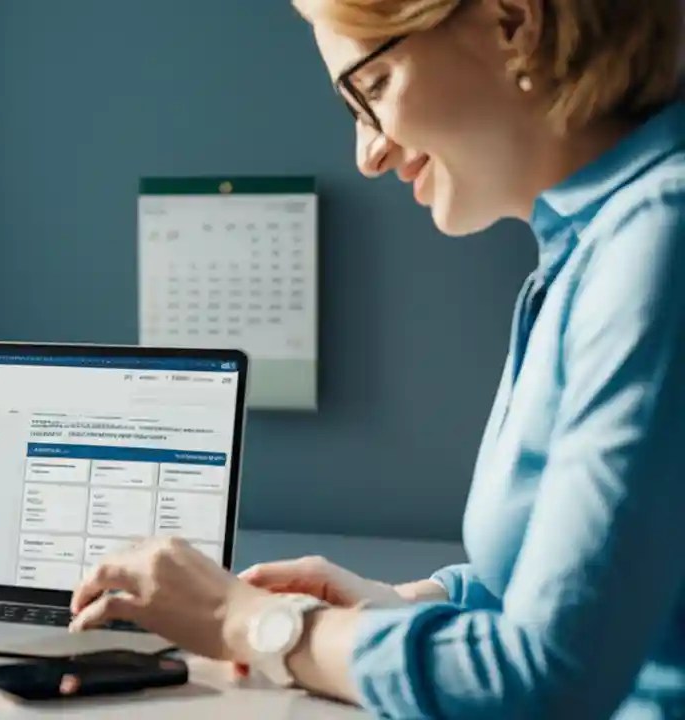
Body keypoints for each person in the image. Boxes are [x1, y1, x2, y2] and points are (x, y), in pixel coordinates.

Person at [68, 1, 685, 717]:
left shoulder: (657, 245)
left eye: (377, 86)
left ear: (514, 22)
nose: (370, 154)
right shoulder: (587, 254)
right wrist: (400, 604)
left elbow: (547, 679)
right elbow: (588, 592)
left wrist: (254, 624)